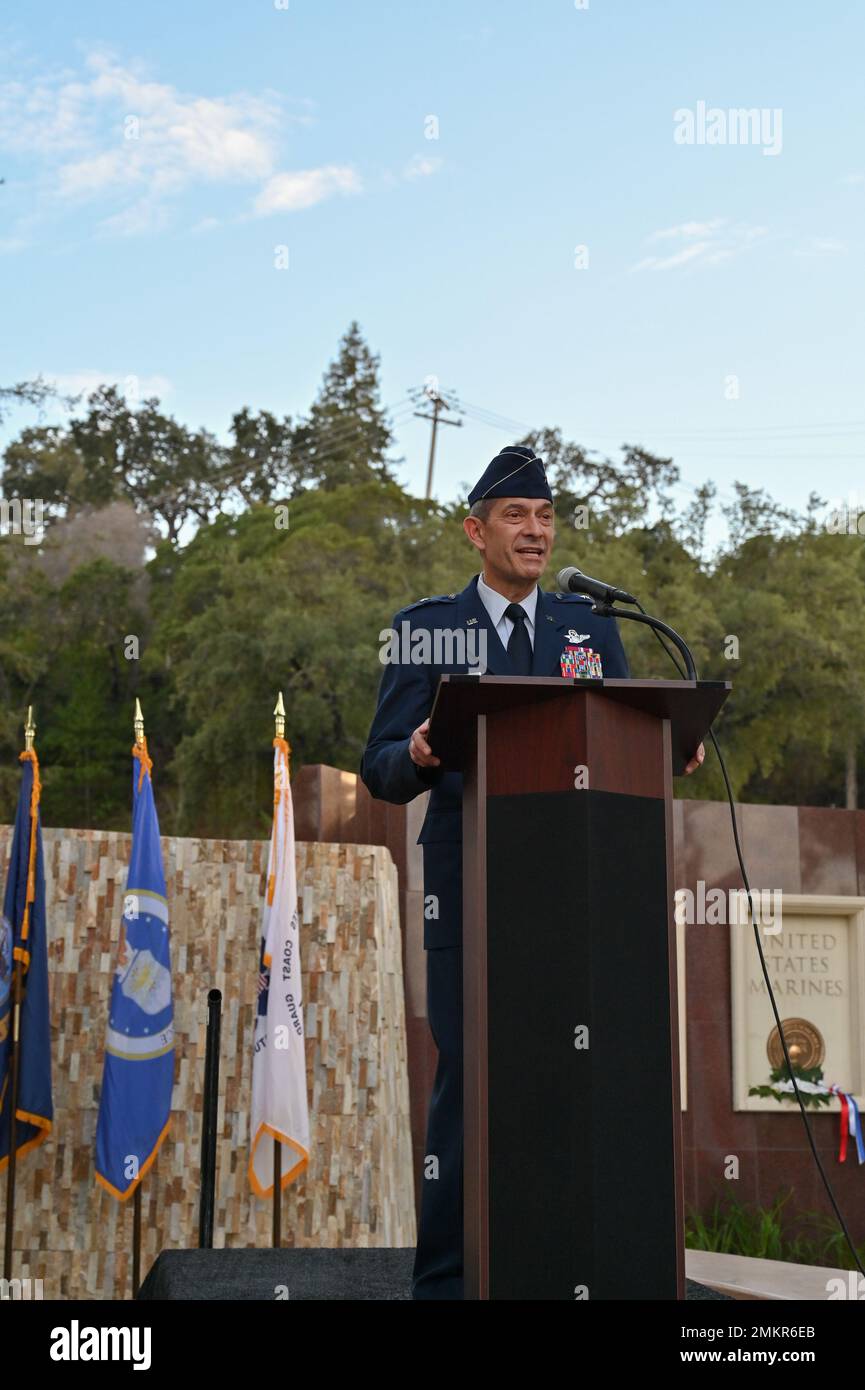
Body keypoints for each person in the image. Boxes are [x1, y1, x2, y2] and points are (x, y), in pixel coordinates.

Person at [360, 444, 704, 1299]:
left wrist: (673, 745)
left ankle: (569, 1270)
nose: (536, 531)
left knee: (577, 1071)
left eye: (546, 517)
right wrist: (419, 748)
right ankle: (446, 1281)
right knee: (470, 1077)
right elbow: (379, 765)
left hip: (577, 888)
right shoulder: (427, 626)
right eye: (516, 516)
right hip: (471, 883)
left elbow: (626, 728)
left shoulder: (592, 629)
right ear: (475, 530)